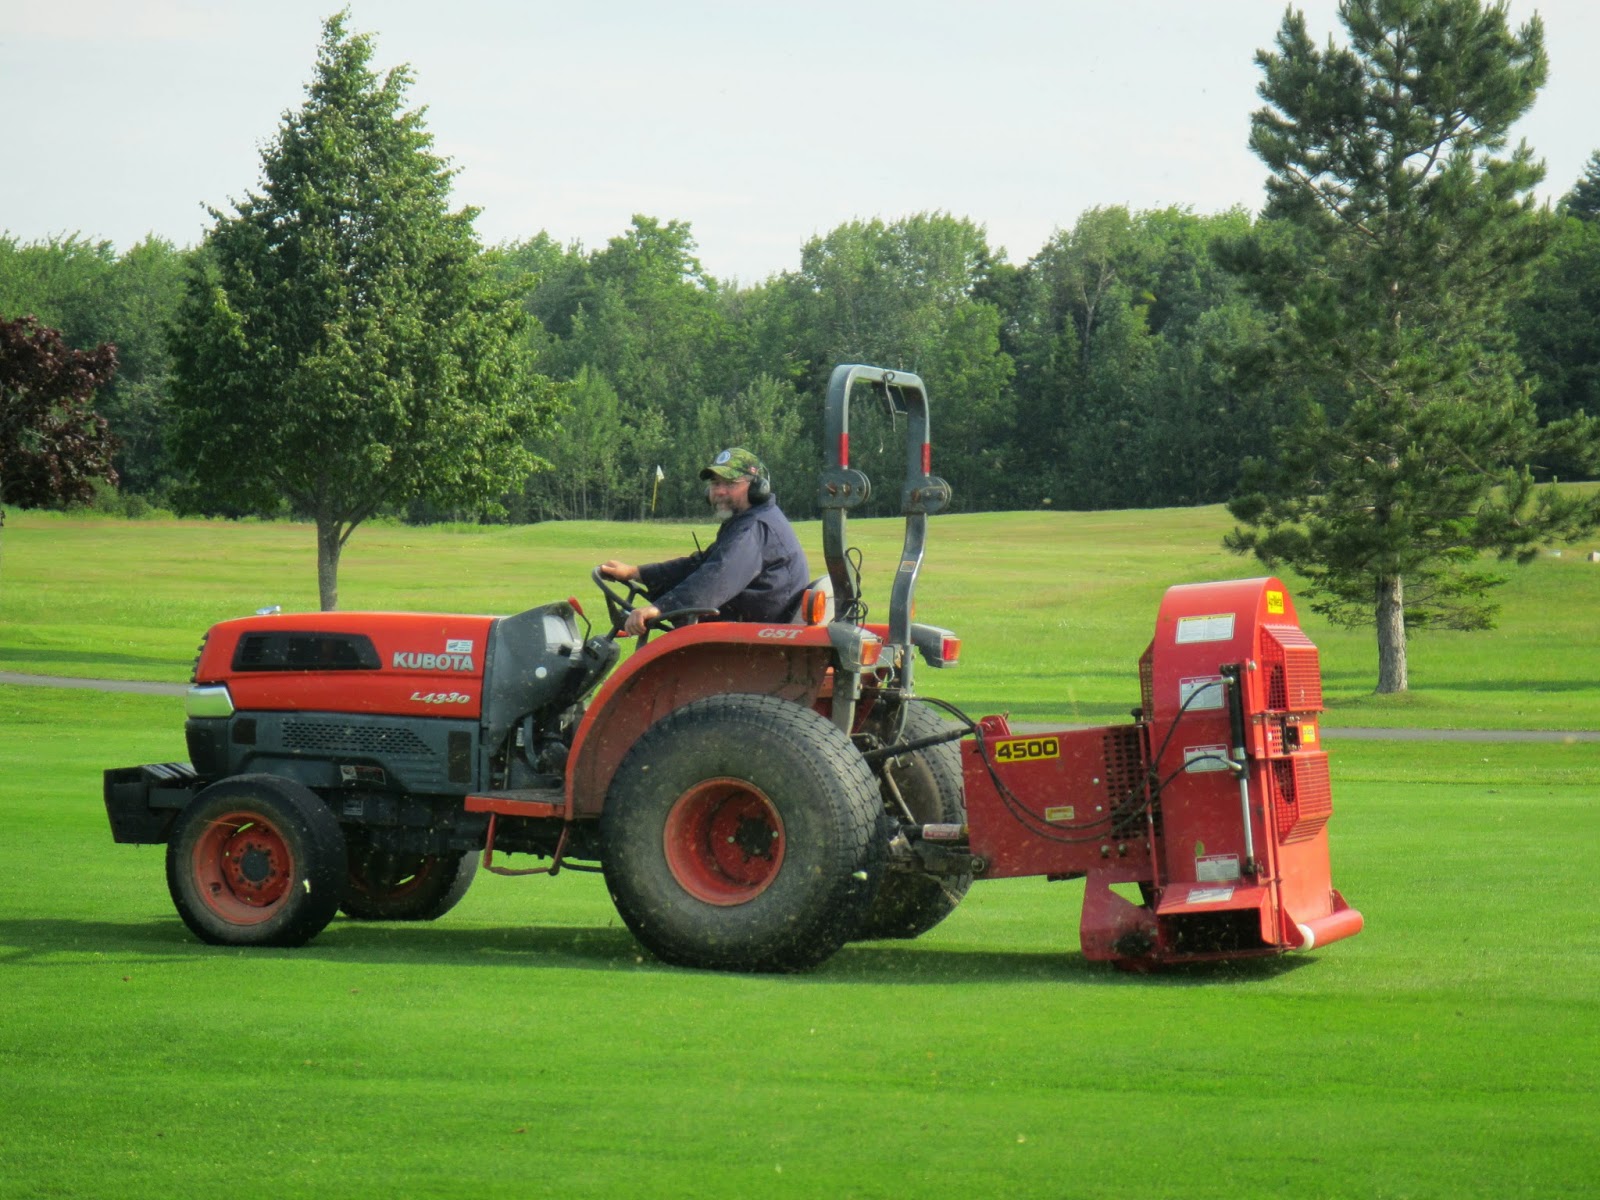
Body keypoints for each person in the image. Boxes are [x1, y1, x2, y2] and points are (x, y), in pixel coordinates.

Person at [600, 448, 809, 637]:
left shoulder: (755, 528)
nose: (719, 491)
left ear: (757, 488)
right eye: (715, 483)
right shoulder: (747, 521)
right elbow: (700, 565)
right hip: (748, 632)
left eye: (729, 483)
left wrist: (660, 608)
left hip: (754, 642)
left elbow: (717, 577)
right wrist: (636, 572)